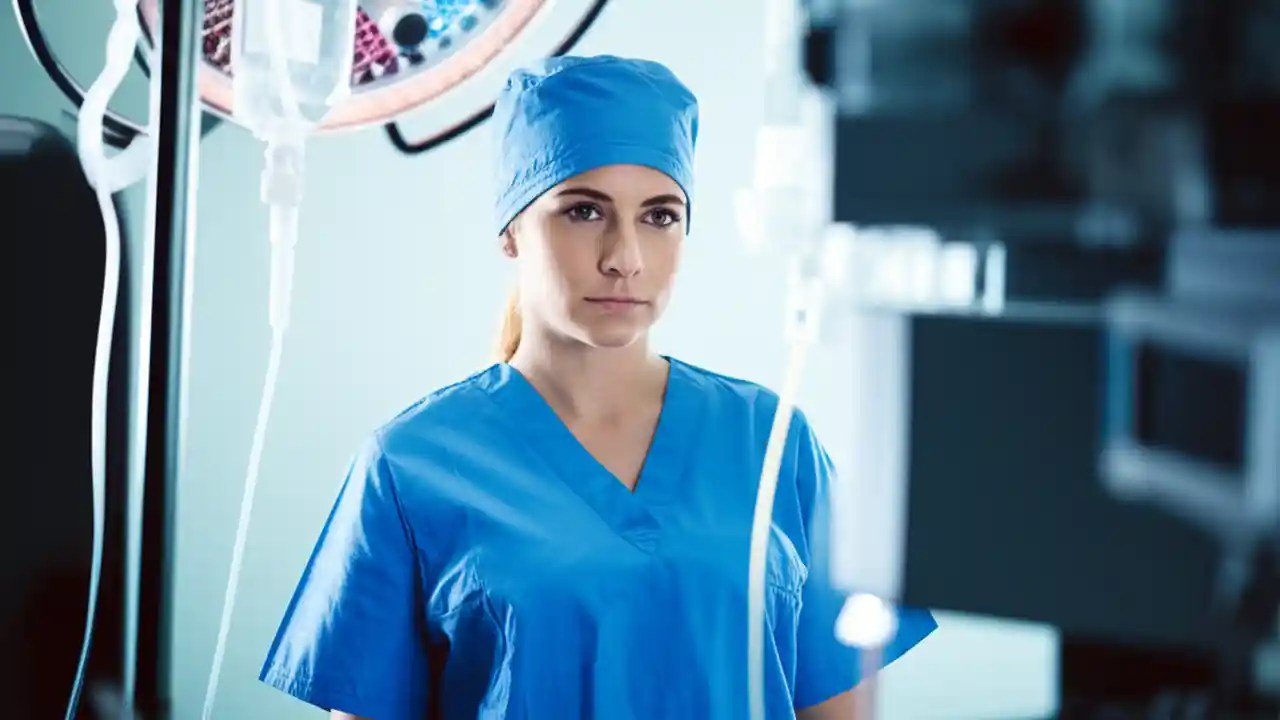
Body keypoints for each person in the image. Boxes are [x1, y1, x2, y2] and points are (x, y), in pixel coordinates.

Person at [259, 54, 936, 720]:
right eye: (584, 212)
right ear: (511, 231)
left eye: (660, 215)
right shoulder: (412, 467)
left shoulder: (771, 442)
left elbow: (841, 707)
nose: (625, 258)